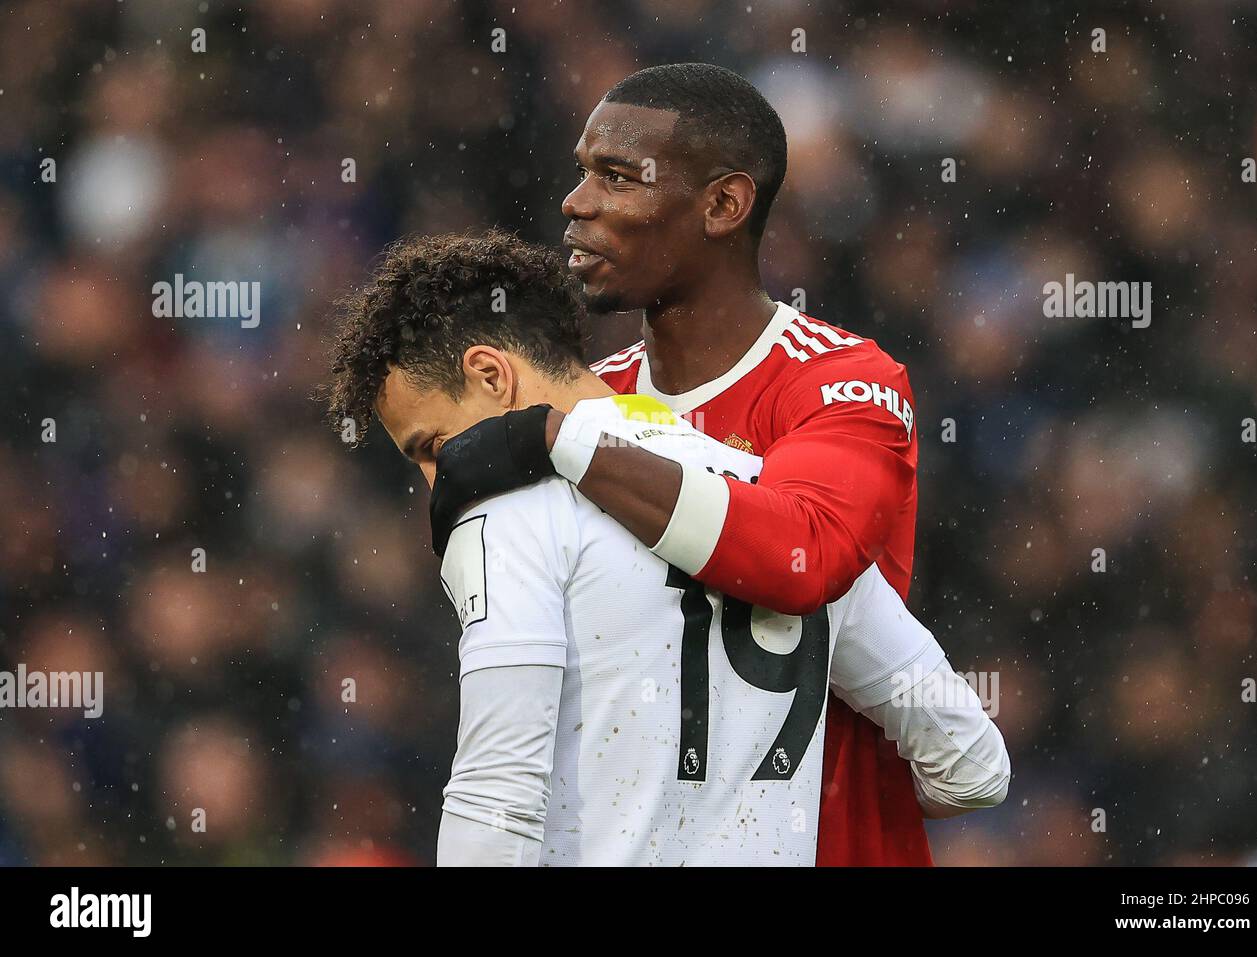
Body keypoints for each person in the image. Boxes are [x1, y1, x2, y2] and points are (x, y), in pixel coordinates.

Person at [322, 230, 1009, 866]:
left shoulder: (506, 517)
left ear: (492, 374)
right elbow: (974, 765)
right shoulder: (763, 500)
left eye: (433, 447)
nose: (436, 483)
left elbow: (495, 793)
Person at [429, 63, 935, 865]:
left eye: (618, 177)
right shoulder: (600, 398)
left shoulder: (845, 384)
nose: (576, 201)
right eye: (582, 171)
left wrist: (564, 443)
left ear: (724, 205)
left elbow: (805, 555)